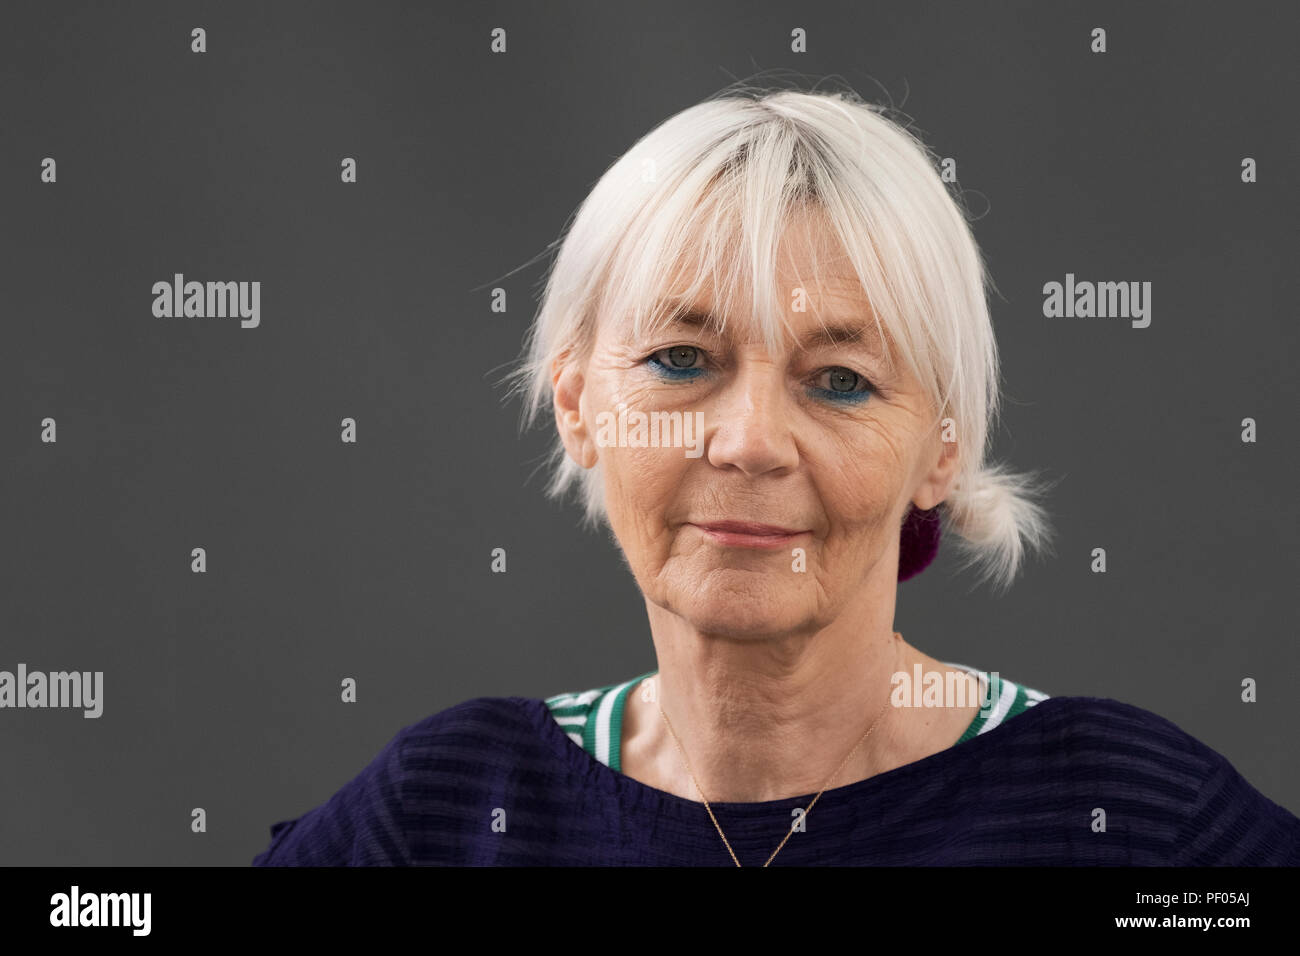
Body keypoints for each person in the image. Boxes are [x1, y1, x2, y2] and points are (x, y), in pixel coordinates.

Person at [252, 84, 1299, 866]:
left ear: (943, 444)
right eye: (679, 359)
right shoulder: (442, 809)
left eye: (840, 379)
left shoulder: (1134, 819)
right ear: (576, 405)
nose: (750, 440)